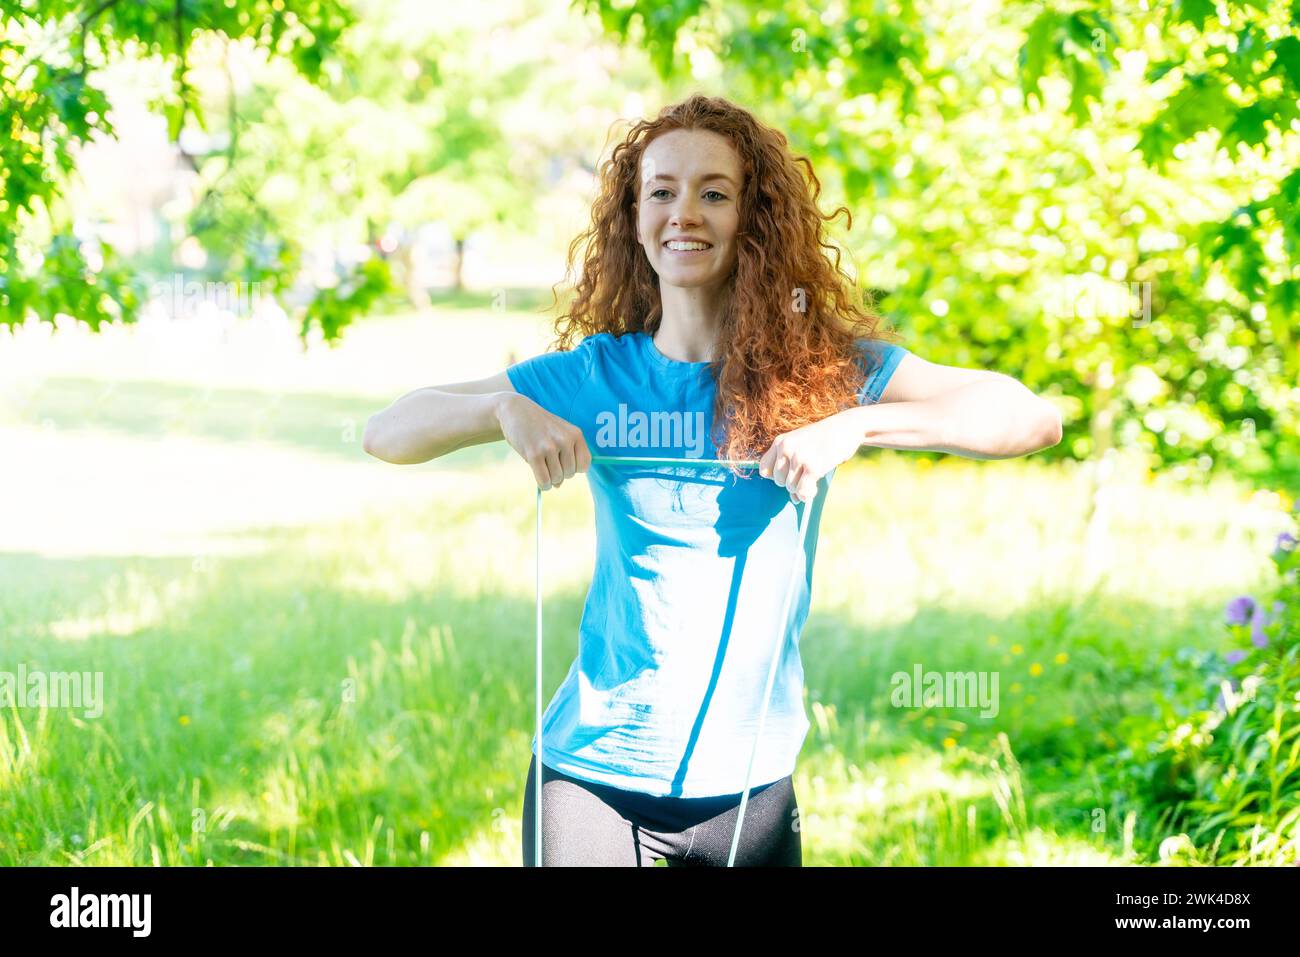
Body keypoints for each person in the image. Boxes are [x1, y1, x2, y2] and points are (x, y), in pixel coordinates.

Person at [363, 94, 1062, 866]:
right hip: (588, 777)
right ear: (633, 217)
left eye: (713, 193)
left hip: (750, 783)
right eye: (661, 190)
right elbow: (386, 432)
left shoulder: (822, 371)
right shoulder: (597, 375)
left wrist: (857, 424)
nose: (683, 212)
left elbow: (1029, 419)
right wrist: (502, 410)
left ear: (753, 217)